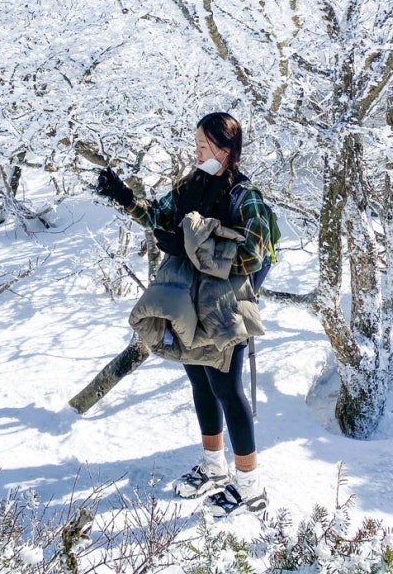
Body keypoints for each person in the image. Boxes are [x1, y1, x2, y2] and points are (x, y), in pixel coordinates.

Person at [95, 112, 271, 516]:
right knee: (200, 383)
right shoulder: (189, 187)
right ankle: (214, 469)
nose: (198, 153)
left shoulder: (246, 197)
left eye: (205, 147)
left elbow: (252, 253)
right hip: (188, 308)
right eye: (196, 146)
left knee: (227, 390)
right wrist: (124, 198)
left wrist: (195, 245)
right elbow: (159, 217)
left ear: (227, 151)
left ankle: (250, 489)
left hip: (224, 312)